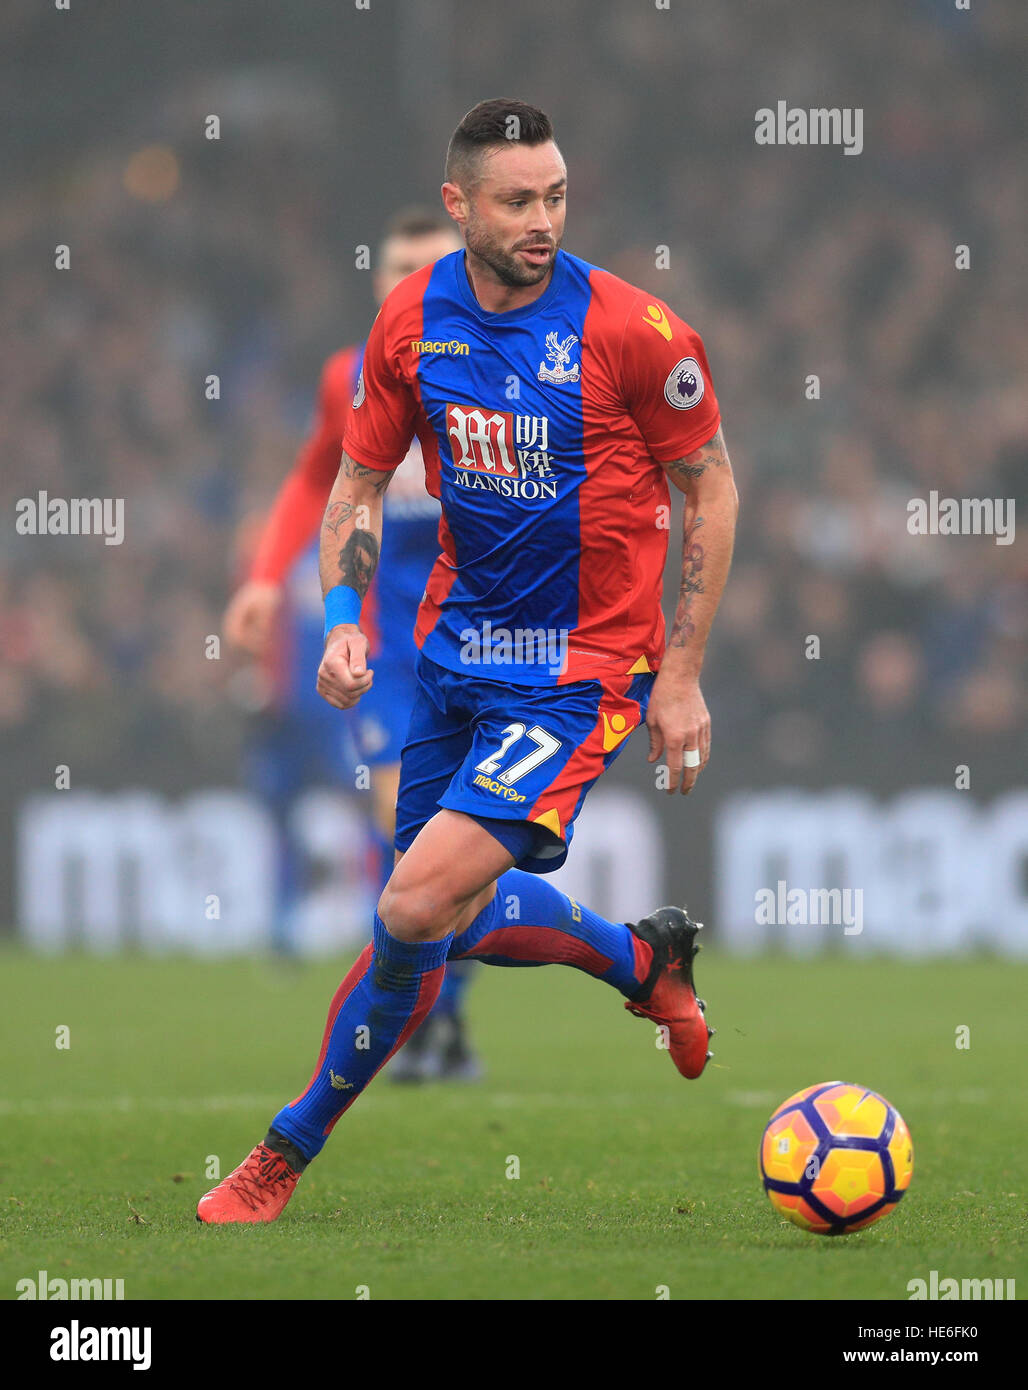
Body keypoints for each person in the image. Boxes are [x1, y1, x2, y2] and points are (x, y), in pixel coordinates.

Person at [199, 99, 738, 1225]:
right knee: (445, 914)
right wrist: (342, 613)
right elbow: (350, 481)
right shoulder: (410, 319)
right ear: (459, 206)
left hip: (580, 666)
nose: (541, 220)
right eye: (515, 200)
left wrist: (678, 674)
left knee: (407, 905)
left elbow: (710, 488)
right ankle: (643, 964)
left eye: (553, 197)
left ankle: (280, 1152)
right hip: (449, 653)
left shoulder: (633, 330)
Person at [224, 208, 481, 1080]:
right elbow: (314, 480)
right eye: (397, 265)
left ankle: (442, 1017)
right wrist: (266, 577)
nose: (410, 279)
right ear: (377, 277)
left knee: (466, 844)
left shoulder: (502, 368)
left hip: (485, 632)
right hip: (387, 648)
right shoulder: (354, 377)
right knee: (404, 821)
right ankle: (416, 1022)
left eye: (429, 265)